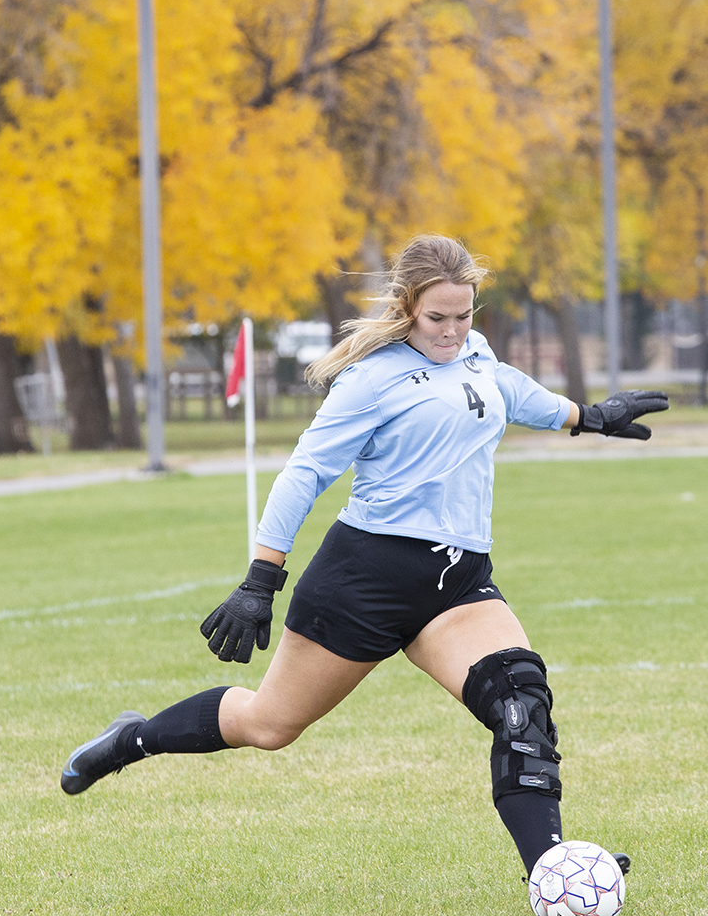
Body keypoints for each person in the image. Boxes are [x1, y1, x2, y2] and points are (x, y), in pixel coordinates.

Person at [60, 234, 667, 877]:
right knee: (269, 725)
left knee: (521, 705)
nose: (454, 331)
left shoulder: (475, 353)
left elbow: (506, 390)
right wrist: (262, 577)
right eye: (439, 318)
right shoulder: (370, 380)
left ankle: (552, 869)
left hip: (457, 582)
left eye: (465, 316)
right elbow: (305, 472)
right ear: (407, 307)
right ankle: (132, 738)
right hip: (364, 580)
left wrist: (587, 416)